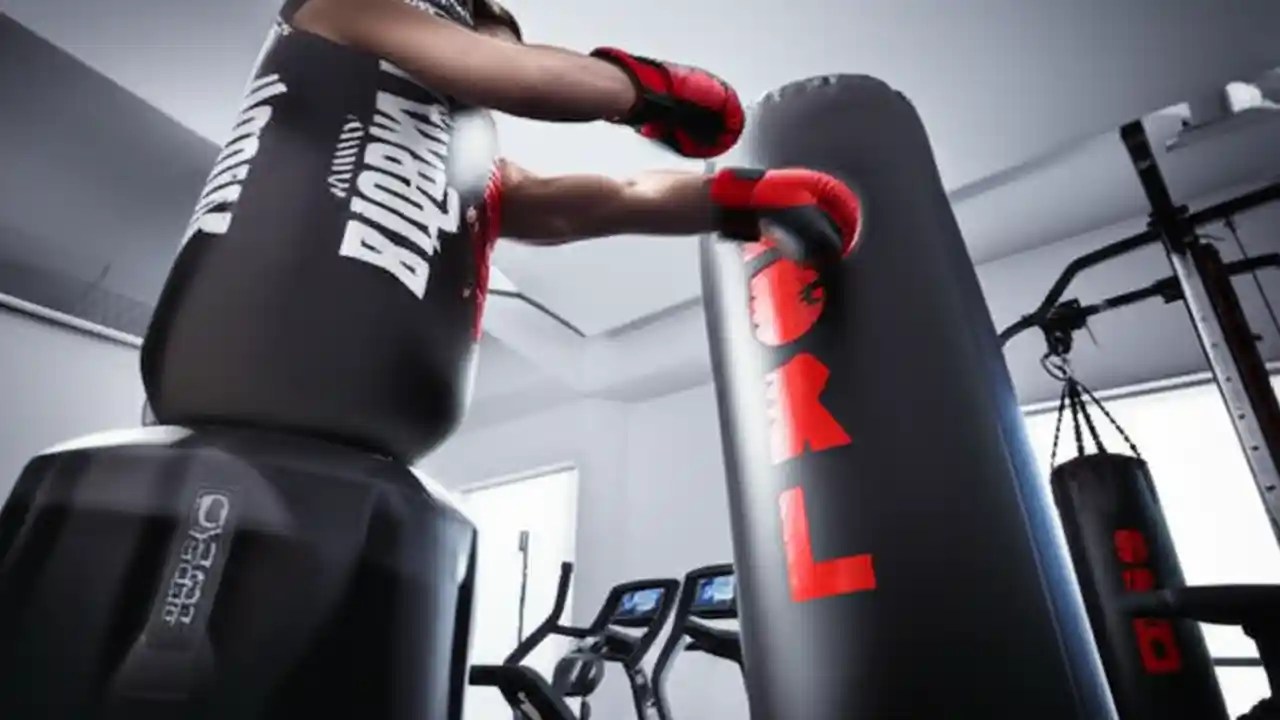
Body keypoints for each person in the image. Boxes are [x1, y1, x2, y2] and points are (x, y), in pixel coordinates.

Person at [140, 0, 863, 463]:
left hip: (380, 434)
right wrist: (646, 89)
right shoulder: (339, 12)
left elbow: (593, 203)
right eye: (477, 26)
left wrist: (738, 201)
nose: (488, 41)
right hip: (242, 380)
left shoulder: (457, 155)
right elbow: (518, 76)